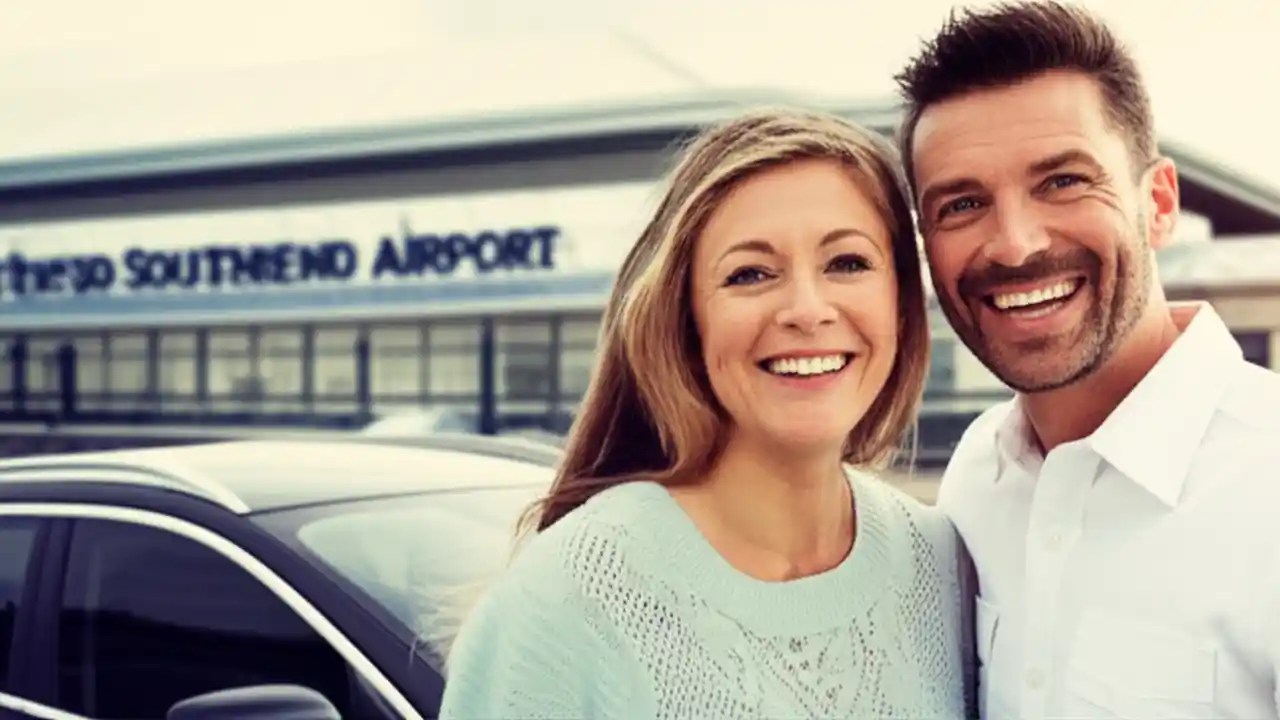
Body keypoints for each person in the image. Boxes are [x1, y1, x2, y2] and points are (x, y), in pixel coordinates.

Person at [439, 109, 975, 718]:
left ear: (903, 302)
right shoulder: (572, 591)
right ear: (686, 320)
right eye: (750, 274)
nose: (806, 309)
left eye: (847, 263)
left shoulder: (940, 564)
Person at [895, 2, 1280, 719]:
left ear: (1159, 203)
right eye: (962, 204)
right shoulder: (977, 478)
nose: (1013, 245)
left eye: (1063, 181)